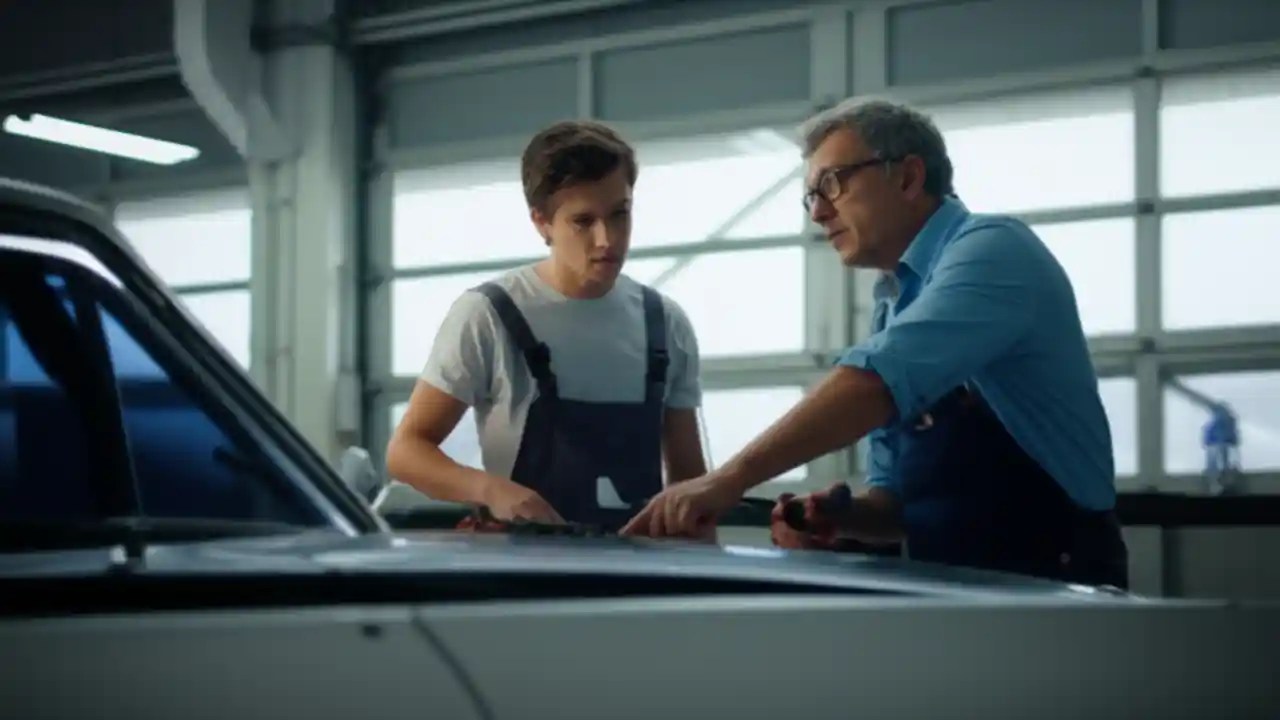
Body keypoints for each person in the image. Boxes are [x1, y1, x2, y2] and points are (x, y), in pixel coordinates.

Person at [621, 98, 1130, 588]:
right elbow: (897, 508)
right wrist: (840, 520)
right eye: (810, 195)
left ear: (907, 176)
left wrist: (727, 481)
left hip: (1057, 579)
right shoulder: (892, 304)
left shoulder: (993, 250)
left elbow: (874, 382)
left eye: (832, 184)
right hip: (955, 587)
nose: (817, 213)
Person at [386, 120, 708, 533]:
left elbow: (691, 487)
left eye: (619, 214)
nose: (606, 239)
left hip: (637, 583)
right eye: (582, 221)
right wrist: (491, 491)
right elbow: (406, 451)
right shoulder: (489, 315)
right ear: (541, 222)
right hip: (527, 583)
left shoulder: (665, 324)